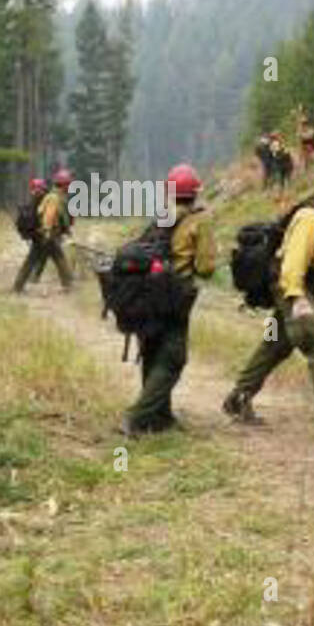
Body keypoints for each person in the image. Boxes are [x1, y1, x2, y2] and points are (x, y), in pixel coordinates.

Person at [222, 154, 314, 446]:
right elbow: (293, 261)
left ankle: (237, 400)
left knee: (276, 345)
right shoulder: (313, 217)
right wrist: (296, 298)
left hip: (303, 284)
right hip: (290, 284)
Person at [123, 164, 216, 435]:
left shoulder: (163, 216)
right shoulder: (200, 220)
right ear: (195, 193)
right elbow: (207, 268)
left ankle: (160, 417)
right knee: (174, 357)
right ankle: (137, 417)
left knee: (153, 351)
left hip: (148, 292)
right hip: (175, 295)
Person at [13, 167, 74, 292]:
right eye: (68, 183)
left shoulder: (56, 196)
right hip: (47, 234)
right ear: (64, 184)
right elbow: (49, 216)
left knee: (37, 259)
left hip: (45, 234)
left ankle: (19, 286)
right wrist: (47, 232)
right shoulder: (54, 197)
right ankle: (68, 286)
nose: (69, 186)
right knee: (57, 259)